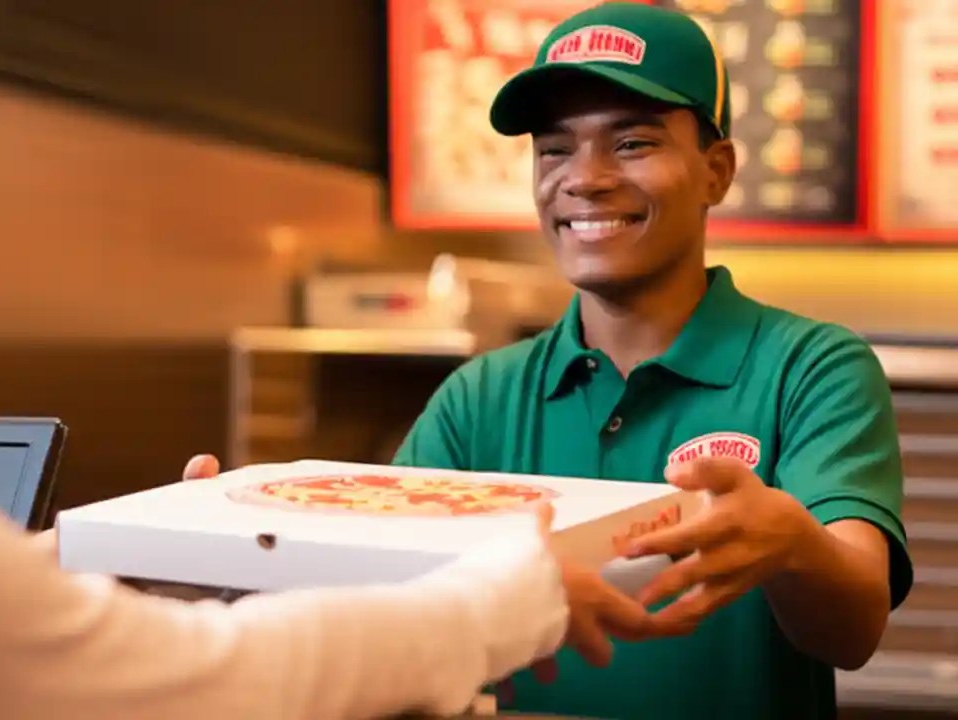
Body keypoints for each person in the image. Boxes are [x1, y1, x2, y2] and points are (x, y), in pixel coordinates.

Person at [0, 2, 661, 719]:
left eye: (631, 141)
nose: (585, 180)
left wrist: (142, 561)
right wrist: (509, 591)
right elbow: (233, 680)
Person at [191, 2, 912, 719]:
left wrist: (790, 546)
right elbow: (378, 613)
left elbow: (853, 632)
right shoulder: (480, 396)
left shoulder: (813, 369)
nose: (584, 177)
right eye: (554, 149)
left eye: (632, 143)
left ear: (716, 171)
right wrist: (242, 559)